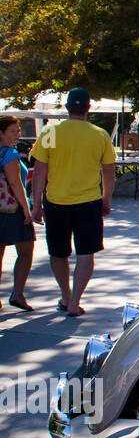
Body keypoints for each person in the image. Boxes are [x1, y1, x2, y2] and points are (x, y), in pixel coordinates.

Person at [29, 88, 117, 317]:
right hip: (89, 201)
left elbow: (39, 170)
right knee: (86, 253)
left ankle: (66, 295)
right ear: (88, 108)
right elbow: (109, 173)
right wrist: (106, 199)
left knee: (58, 253)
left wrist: (36, 203)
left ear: (67, 108)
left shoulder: (50, 131)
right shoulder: (100, 135)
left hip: (56, 200)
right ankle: (75, 301)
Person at [0, 115, 36, 312]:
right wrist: (26, 208)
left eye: (18, 131)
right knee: (25, 251)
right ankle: (17, 293)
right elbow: (15, 183)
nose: (17, 135)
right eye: (12, 131)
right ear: (1, 133)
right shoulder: (10, 154)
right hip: (12, 209)